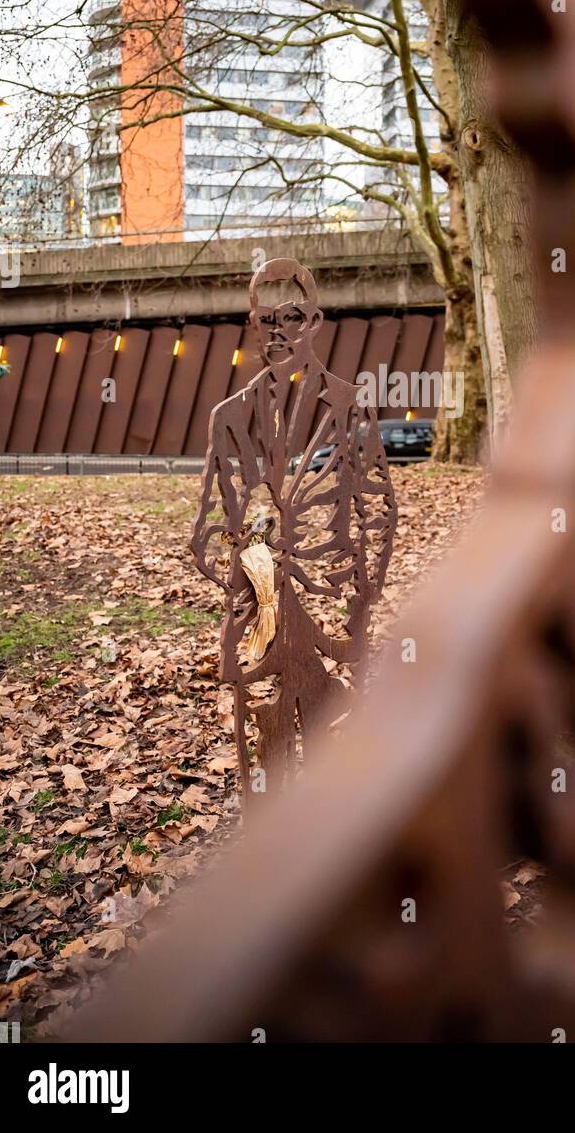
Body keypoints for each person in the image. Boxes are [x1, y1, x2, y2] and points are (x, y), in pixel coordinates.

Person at [191, 257, 397, 793]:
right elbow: (212, 522)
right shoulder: (230, 414)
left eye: (291, 317)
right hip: (259, 608)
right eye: (265, 320)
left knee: (336, 727)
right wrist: (246, 572)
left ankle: (336, 830)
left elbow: (376, 506)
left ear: (315, 321)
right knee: (266, 739)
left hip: (330, 601)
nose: (278, 332)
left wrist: (362, 596)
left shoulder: (350, 404)